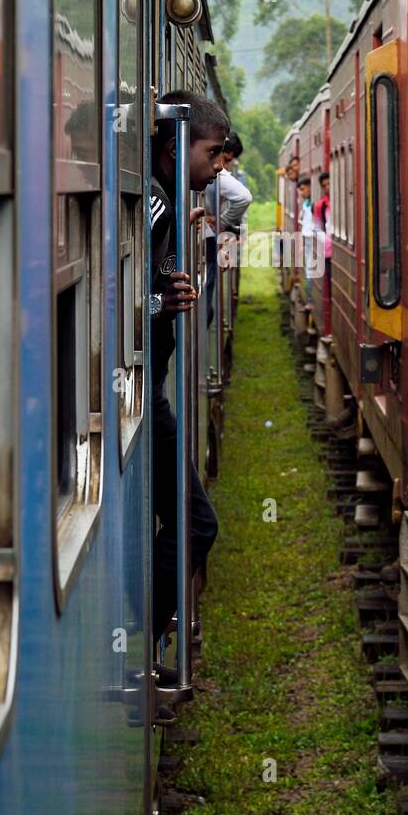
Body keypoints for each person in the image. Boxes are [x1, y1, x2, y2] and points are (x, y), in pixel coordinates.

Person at [150, 90, 228, 655]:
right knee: (197, 523)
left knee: (192, 522)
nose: (217, 168)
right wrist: (161, 301)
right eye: (212, 153)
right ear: (178, 145)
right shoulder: (155, 208)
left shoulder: (167, 204)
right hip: (144, 396)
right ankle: (140, 639)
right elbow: (119, 305)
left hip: (151, 393)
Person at [205, 131, 252, 327]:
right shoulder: (218, 172)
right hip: (209, 239)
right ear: (230, 155)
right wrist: (223, 222)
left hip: (209, 237)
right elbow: (244, 197)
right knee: (208, 285)